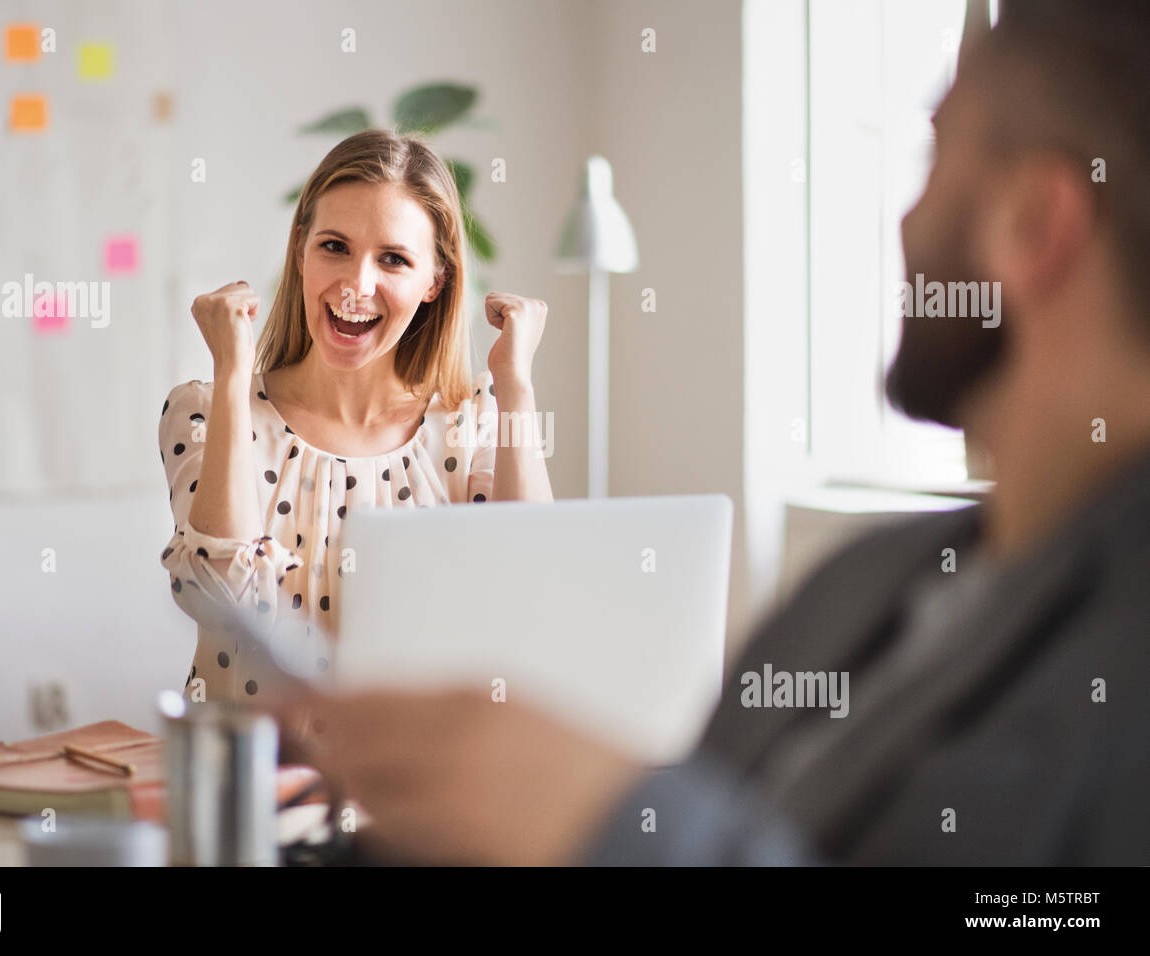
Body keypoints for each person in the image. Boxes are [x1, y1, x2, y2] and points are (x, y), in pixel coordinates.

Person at [276, 0, 1150, 865]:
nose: (904, 218)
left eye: (935, 160)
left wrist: (607, 817)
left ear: (1034, 226)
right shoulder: (863, 588)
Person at [158, 130, 553, 703]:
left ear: (433, 283)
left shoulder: (475, 425)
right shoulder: (202, 410)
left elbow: (530, 601)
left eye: (393, 259)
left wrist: (516, 384)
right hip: (251, 780)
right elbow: (219, 600)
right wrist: (232, 375)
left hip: (413, 786)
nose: (356, 285)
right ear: (301, 251)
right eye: (335, 247)